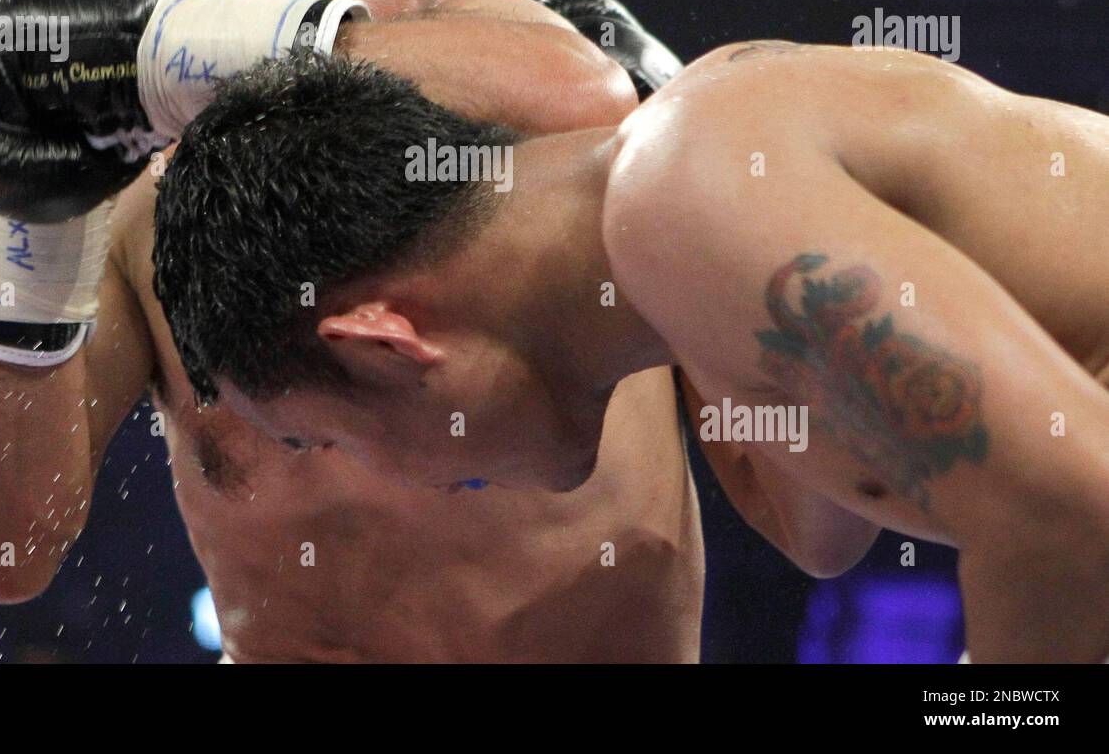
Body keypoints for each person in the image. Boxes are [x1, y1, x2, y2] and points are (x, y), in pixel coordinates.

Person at [0, 0, 716, 663]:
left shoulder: (571, 113)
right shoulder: (136, 205)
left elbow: (576, 87)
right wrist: (29, 205)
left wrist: (176, 46)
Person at [151, 43, 1109, 664]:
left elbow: (1070, 511)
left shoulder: (687, 186)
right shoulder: (695, 252)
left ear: (384, 345)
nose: (420, 487)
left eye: (328, 442)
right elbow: (834, 532)